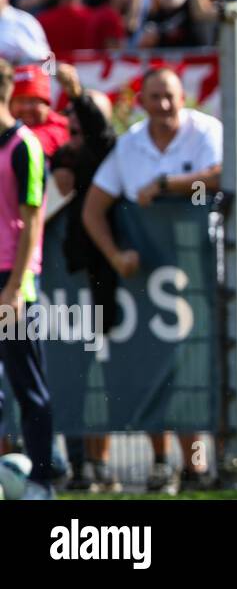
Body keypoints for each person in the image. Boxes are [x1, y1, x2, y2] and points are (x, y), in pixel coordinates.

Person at [81, 66, 223, 492]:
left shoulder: (206, 131)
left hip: (201, 279)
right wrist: (115, 255)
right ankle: (162, 463)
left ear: (184, 98)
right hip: (150, 288)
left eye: (170, 96)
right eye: (154, 96)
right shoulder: (130, 146)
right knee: (155, 372)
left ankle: (196, 466)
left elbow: (222, 177)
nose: (163, 105)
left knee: (194, 374)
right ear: (141, 102)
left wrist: (168, 184)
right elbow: (93, 209)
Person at [47, 63, 120, 494]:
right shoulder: (59, 157)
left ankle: (102, 465)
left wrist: (76, 95)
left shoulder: (109, 149)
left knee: (104, 380)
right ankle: (76, 466)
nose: (75, 126)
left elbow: (97, 133)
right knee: (70, 376)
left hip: (107, 287)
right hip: (65, 288)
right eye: (69, 121)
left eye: (84, 116)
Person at [0, 57, 54, 499]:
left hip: (12, 281)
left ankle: (40, 481)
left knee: (27, 385)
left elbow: (33, 220)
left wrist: (15, 288)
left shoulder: (24, 147)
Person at [9, 64, 69, 159]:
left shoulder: (61, 128)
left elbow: (29, 144)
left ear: (47, 105)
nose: (26, 108)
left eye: (33, 100)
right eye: (20, 100)